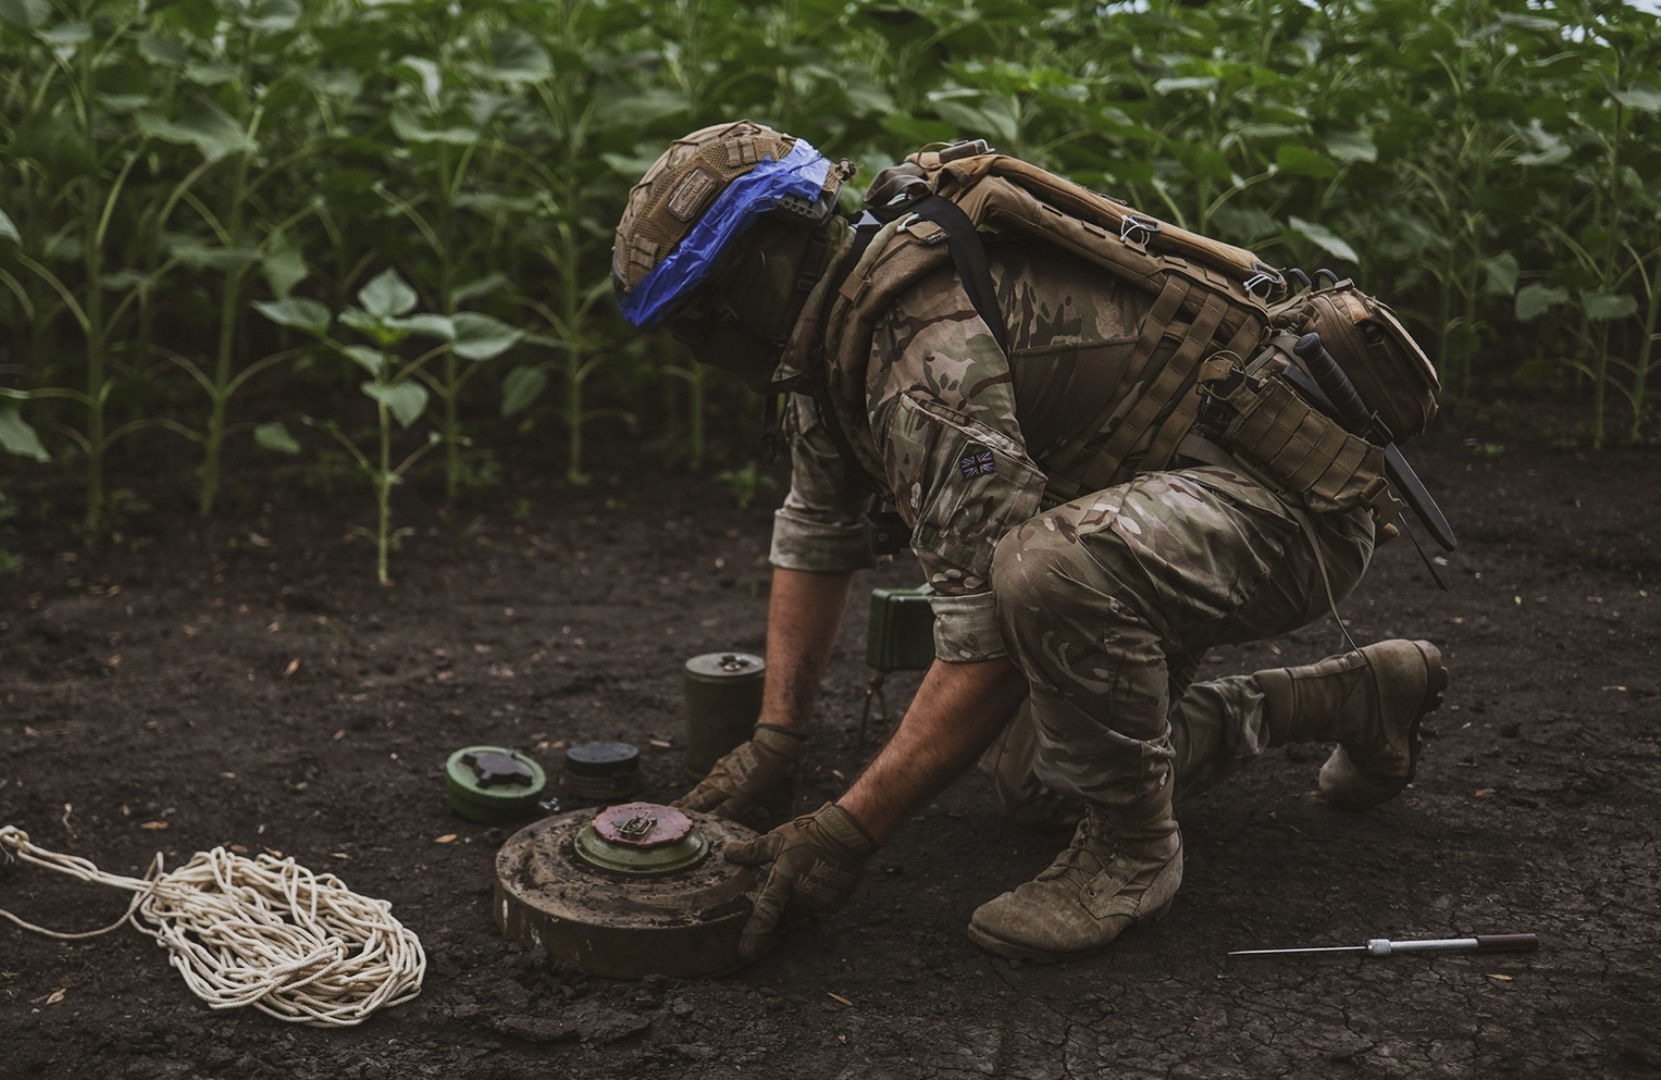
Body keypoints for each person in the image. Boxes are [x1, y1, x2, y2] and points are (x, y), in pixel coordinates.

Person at [612, 120, 1449, 963]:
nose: (697, 346)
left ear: (753, 269)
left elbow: (982, 643)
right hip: (1173, 507)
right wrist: (776, 744)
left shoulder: (917, 349)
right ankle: (1349, 697)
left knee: (1042, 570)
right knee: (1042, 777)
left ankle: (1133, 858)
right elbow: (816, 533)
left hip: (1290, 507)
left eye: (696, 318)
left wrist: (846, 830)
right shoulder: (837, 330)